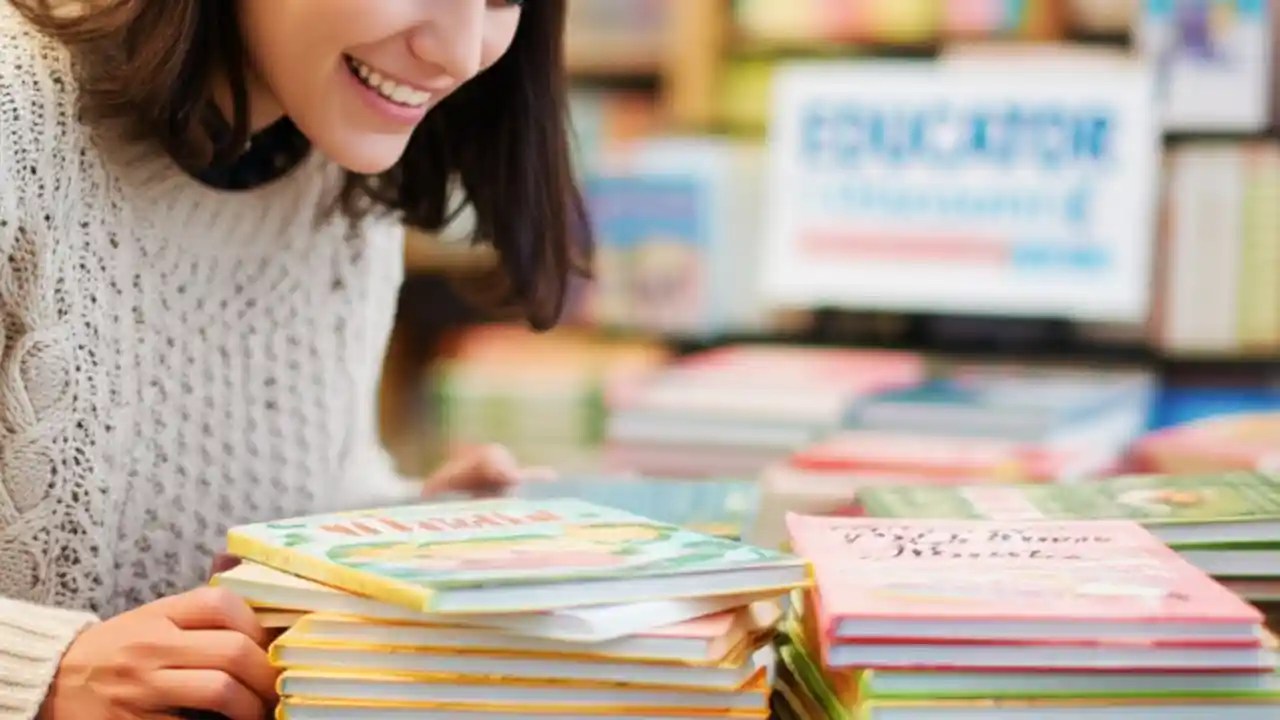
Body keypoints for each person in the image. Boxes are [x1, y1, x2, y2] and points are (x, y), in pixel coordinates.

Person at [0, 0, 588, 718]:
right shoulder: (14, 104)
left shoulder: (336, 164)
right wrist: (44, 670)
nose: (460, 55)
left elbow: (250, 498)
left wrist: (391, 529)